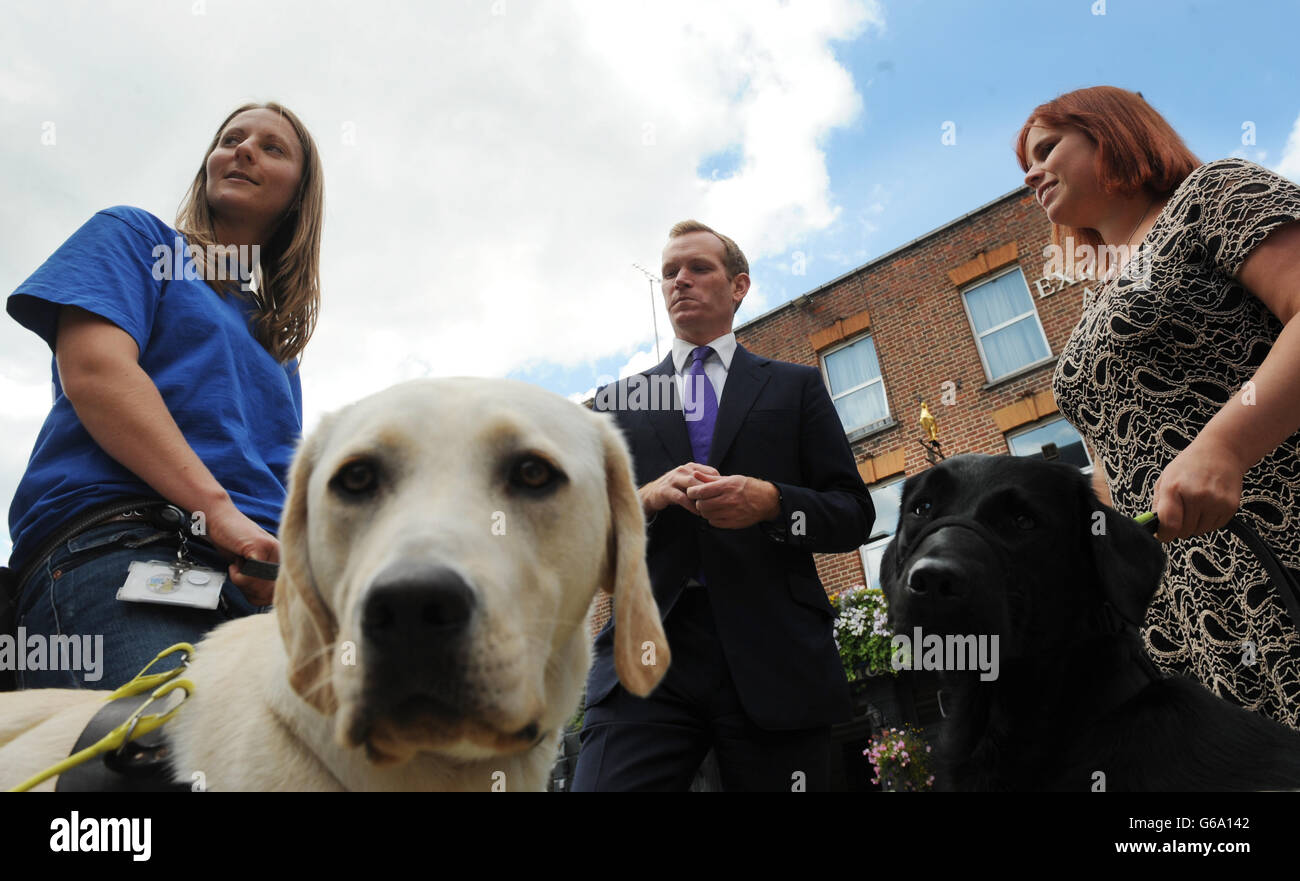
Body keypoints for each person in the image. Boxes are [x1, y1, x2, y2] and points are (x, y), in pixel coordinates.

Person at [5, 102, 324, 689]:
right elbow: (98, 372)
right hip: (125, 546)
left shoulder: (277, 346)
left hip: (262, 590)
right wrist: (220, 514)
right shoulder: (134, 237)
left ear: (300, 197)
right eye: (230, 139)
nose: (243, 149)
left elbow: (284, 479)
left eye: (272, 147)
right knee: (165, 754)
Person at [1017, 86, 1300, 728]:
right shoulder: (1090, 306)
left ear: (1113, 132)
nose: (1031, 174)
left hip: (1277, 536)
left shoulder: (1215, 195)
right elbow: (1110, 463)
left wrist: (1225, 445)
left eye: (1047, 148)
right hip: (1182, 607)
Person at [573, 220, 875, 790]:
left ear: (738, 286)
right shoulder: (618, 403)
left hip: (774, 652)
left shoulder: (795, 387)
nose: (679, 281)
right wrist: (648, 499)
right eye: (669, 273)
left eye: (697, 268)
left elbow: (854, 513)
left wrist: (773, 502)